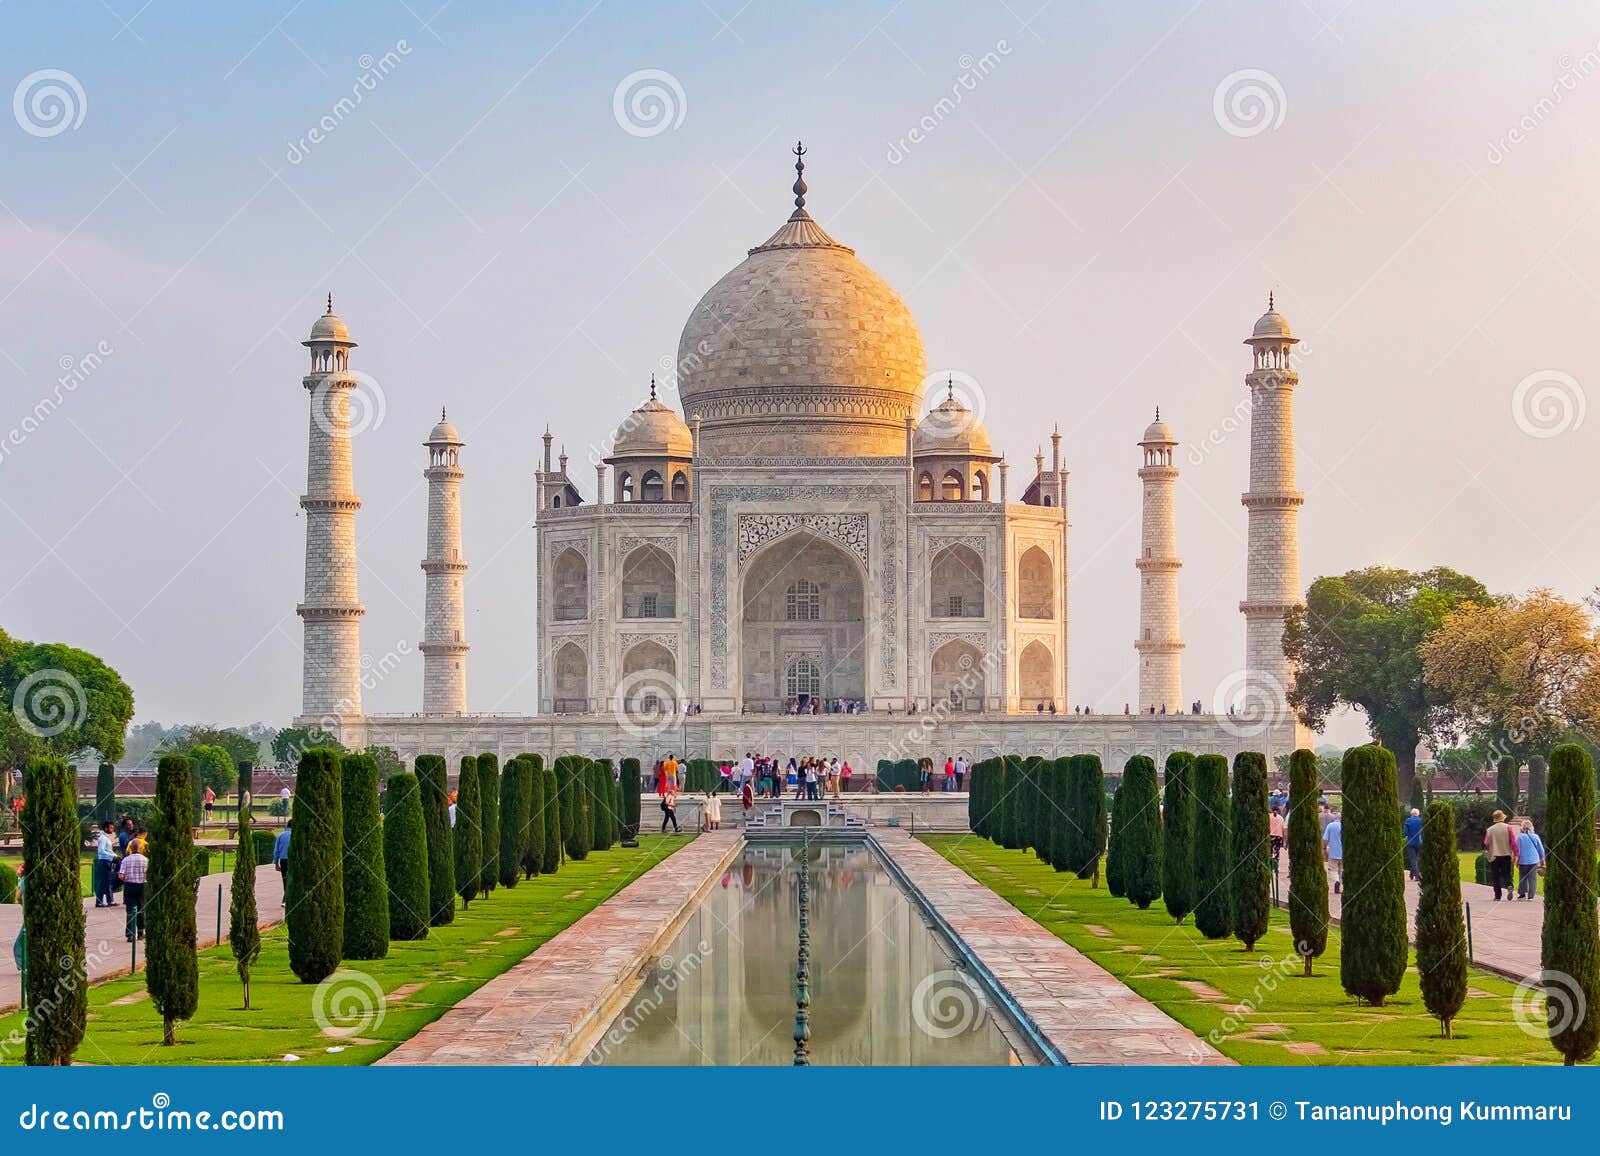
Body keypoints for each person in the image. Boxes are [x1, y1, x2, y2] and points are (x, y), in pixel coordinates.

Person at [1483, 810, 1518, 901]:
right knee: (1506, 873)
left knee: (1495, 875)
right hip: (1506, 854)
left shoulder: (1490, 829)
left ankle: (1498, 896)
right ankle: (1509, 885)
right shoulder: (1508, 828)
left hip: (1494, 855)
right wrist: (1516, 853)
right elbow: (1513, 842)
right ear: (1503, 818)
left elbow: (1486, 842)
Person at [118, 841, 148, 942]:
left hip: (129, 886)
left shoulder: (126, 860)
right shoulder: (145, 860)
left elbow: (121, 875)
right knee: (141, 909)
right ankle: (140, 932)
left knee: (130, 910)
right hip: (142, 886)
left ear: (131, 847)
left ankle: (130, 935)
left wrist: (127, 877)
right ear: (141, 848)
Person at [1515, 818, 1546, 900]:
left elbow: (1517, 850)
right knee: (1532, 878)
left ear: (1522, 827)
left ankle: (1522, 895)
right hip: (1534, 860)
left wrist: (1516, 861)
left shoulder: (1520, 837)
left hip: (1523, 860)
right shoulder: (1536, 837)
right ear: (1531, 827)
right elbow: (1541, 849)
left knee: (1522, 877)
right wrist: (1542, 860)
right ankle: (1531, 896)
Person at [93, 820, 117, 908]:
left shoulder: (106, 838)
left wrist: (114, 855)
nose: (112, 829)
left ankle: (110, 900)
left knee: (108, 881)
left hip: (108, 861)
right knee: (102, 882)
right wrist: (113, 856)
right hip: (103, 861)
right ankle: (99, 902)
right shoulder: (102, 838)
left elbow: (108, 850)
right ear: (106, 828)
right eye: (111, 827)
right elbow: (101, 851)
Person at [1322, 810, 1344, 895]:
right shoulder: (1344, 826)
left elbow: (1325, 839)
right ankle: (1339, 884)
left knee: (1333, 869)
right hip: (1343, 851)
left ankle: (1337, 881)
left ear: (1335, 818)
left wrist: (1324, 848)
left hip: (1333, 851)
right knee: (1341, 870)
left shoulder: (1330, 826)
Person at [1402, 807, 1424, 881]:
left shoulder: (1408, 820)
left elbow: (1405, 833)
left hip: (1410, 842)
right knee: (1416, 859)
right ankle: (1412, 874)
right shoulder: (1421, 820)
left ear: (1411, 814)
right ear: (1418, 814)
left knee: (1413, 859)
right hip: (1419, 842)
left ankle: (1417, 875)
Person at [273, 821, 292, 904]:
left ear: (287, 825)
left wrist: (276, 863)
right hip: (293, 859)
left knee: (285, 879)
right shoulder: (296, 835)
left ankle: (286, 899)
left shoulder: (281, 835)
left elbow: (276, 850)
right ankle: (287, 899)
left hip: (283, 860)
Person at [1268, 806, 1286, 876]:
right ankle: (1276, 868)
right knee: (1276, 852)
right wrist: (1284, 840)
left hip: (1270, 836)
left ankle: (1270, 867)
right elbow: (1283, 829)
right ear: (1278, 811)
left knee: (1270, 852)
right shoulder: (1281, 818)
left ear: (1272, 810)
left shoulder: (1269, 817)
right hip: (1278, 836)